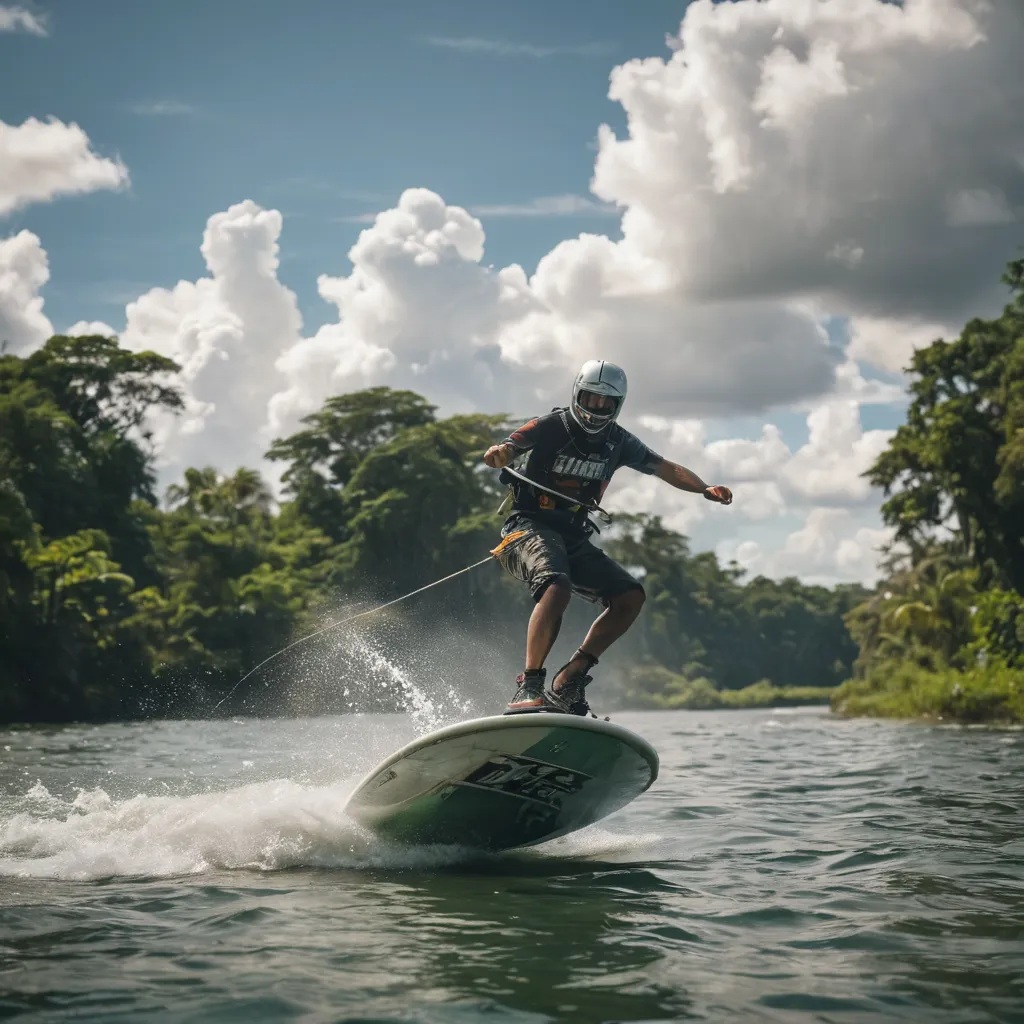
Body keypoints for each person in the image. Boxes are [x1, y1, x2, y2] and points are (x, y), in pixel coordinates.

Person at [483, 359, 733, 717]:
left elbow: (666, 468)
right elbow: (512, 445)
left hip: (572, 533)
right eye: (590, 399)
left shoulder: (619, 442)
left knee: (630, 596)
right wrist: (500, 454)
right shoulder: (552, 425)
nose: (596, 408)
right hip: (528, 526)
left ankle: (570, 678)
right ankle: (530, 685)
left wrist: (704, 488)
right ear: (576, 395)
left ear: (618, 405)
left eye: (606, 403)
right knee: (557, 585)